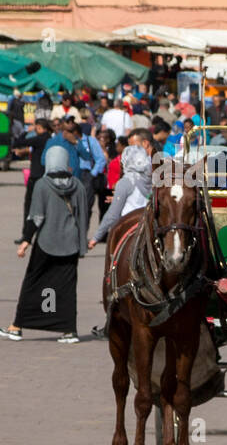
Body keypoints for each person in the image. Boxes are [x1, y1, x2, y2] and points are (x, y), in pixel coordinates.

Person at [4, 145, 90, 344]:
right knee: (67, 287)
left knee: (33, 283)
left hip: (46, 242)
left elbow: (36, 217)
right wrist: (82, 245)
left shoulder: (42, 184)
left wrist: (26, 240)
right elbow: (82, 216)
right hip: (70, 244)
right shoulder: (77, 185)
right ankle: (69, 331)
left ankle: (17, 327)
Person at [87, 144, 153, 248]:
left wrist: (96, 237)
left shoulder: (126, 181)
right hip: (150, 226)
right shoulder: (152, 179)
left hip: (130, 228)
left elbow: (112, 215)